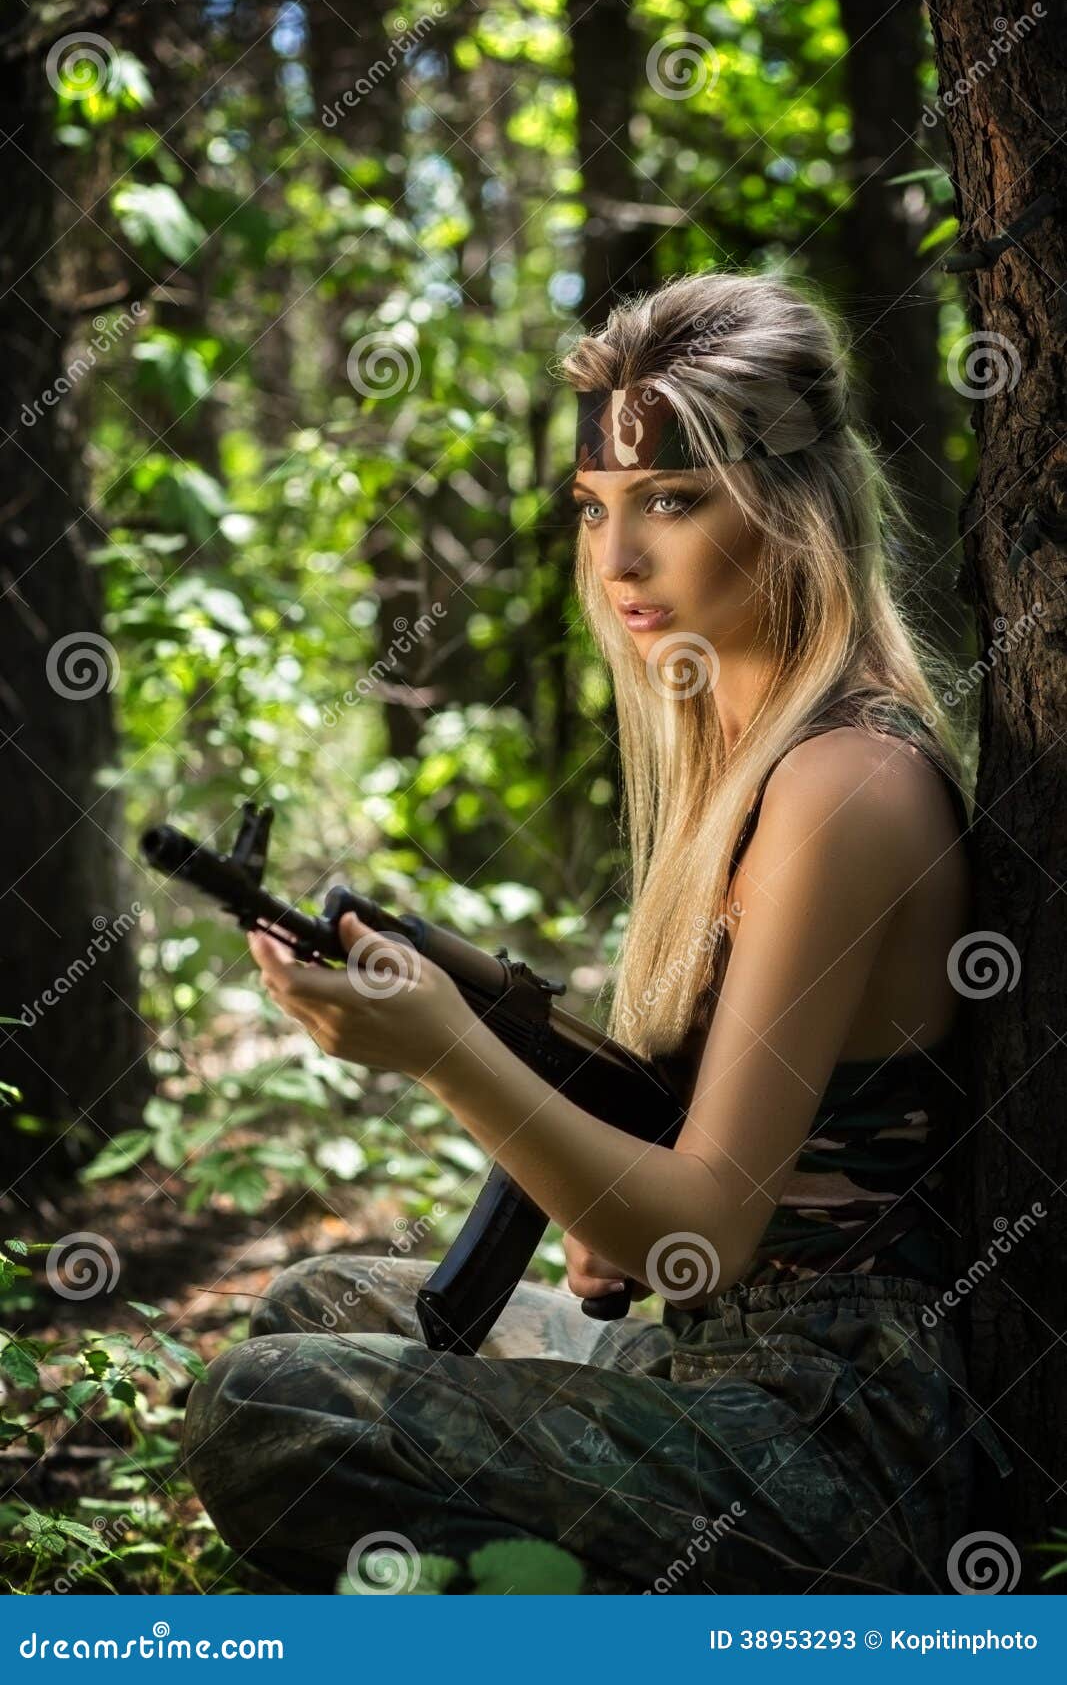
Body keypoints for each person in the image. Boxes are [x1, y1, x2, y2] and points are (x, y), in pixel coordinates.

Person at [181, 269, 1013, 1595]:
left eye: (671, 502)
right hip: (711, 1352)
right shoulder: (741, 748)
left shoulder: (843, 782)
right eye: (596, 509)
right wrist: (592, 1194)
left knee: (272, 1406)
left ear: (791, 505)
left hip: (837, 1435)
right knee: (312, 1311)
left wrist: (447, 1049)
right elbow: (686, 1198)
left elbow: (713, 1229)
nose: (618, 560)